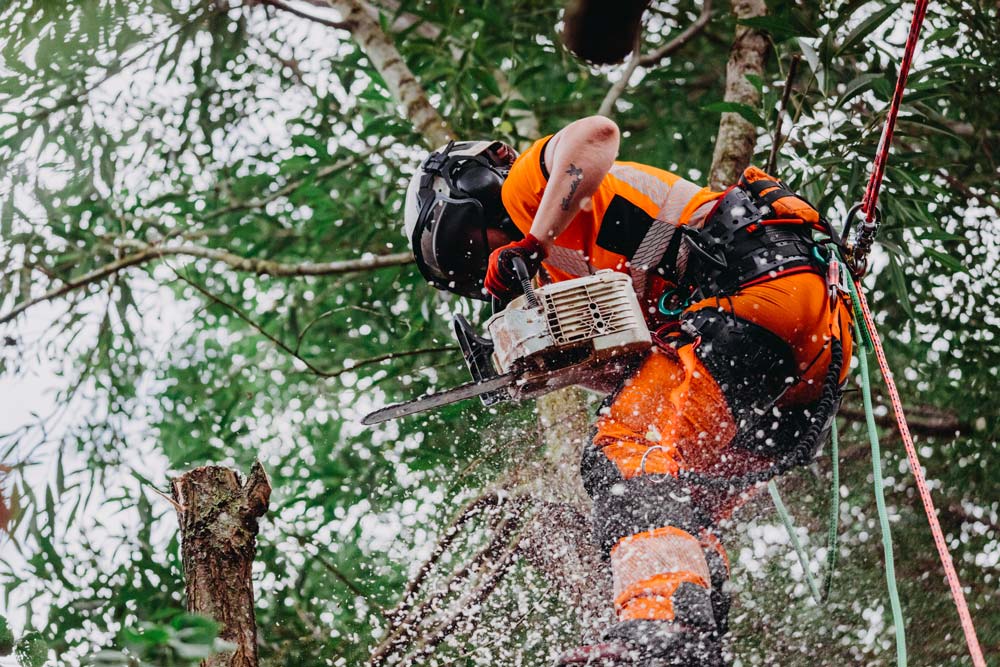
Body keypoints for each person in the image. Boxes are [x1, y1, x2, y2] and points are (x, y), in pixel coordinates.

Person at [402, 116, 854, 666]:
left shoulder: (527, 189)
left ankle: (661, 634)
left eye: (474, 249)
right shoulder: (571, 283)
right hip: (798, 369)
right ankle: (696, 644)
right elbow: (640, 370)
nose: (486, 271)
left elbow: (596, 134)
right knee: (680, 500)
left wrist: (531, 241)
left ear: (476, 204)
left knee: (622, 454)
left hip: (753, 286)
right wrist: (548, 370)